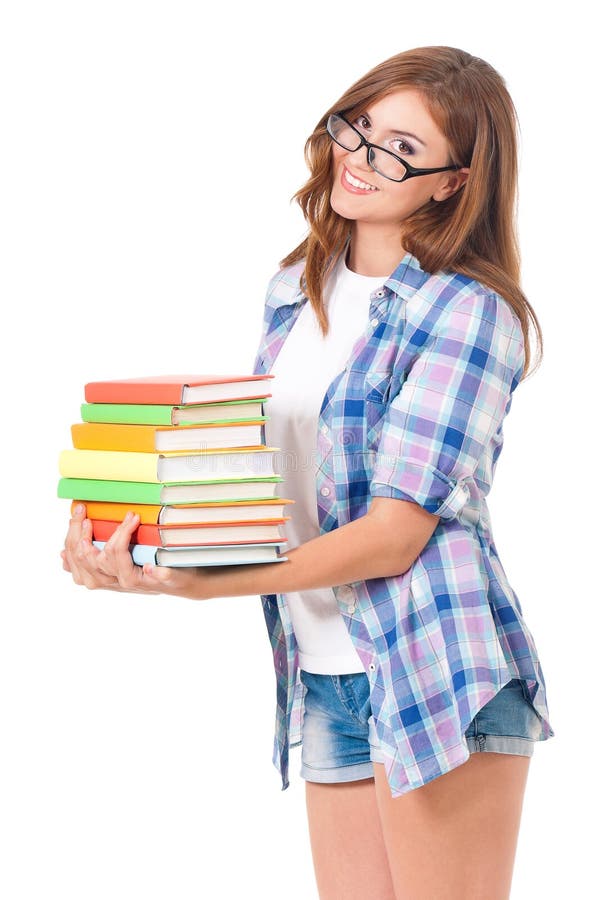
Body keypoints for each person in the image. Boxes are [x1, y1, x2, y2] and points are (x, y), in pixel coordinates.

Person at [62, 45, 555, 900]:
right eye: (357, 128)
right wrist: (140, 539)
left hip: (435, 662)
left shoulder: (470, 314)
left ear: (452, 180)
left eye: (400, 147)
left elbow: (396, 534)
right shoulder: (297, 286)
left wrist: (207, 588)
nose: (361, 159)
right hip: (324, 667)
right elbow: (270, 478)